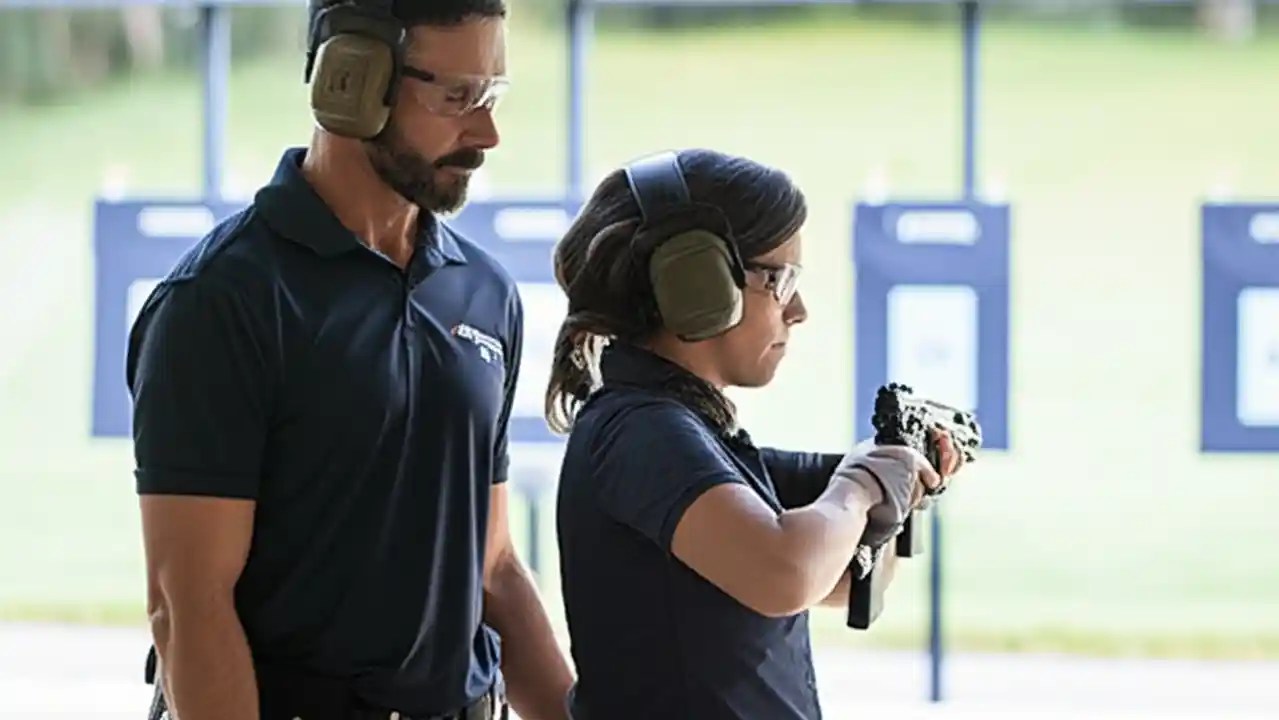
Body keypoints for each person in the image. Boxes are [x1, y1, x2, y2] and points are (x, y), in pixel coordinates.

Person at [126, 1, 574, 718]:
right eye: (457, 96)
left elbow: (491, 562)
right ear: (349, 79)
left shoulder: (484, 294)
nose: (486, 132)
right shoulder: (220, 304)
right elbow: (189, 608)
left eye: (492, 95)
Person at [544, 149, 967, 719]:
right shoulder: (641, 432)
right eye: (780, 278)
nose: (798, 310)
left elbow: (834, 582)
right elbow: (784, 572)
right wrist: (863, 486)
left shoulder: (692, 434)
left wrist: (898, 494)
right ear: (696, 281)